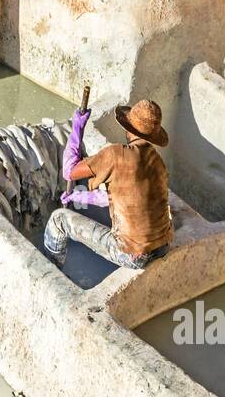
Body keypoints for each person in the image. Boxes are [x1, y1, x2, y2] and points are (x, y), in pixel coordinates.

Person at [43, 99, 172, 270]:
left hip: (132, 254)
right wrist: (81, 197)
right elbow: (123, 197)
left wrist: (76, 128)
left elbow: (69, 171)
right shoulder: (157, 161)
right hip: (162, 246)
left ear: (128, 128)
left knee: (58, 219)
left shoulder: (116, 155)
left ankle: (53, 271)